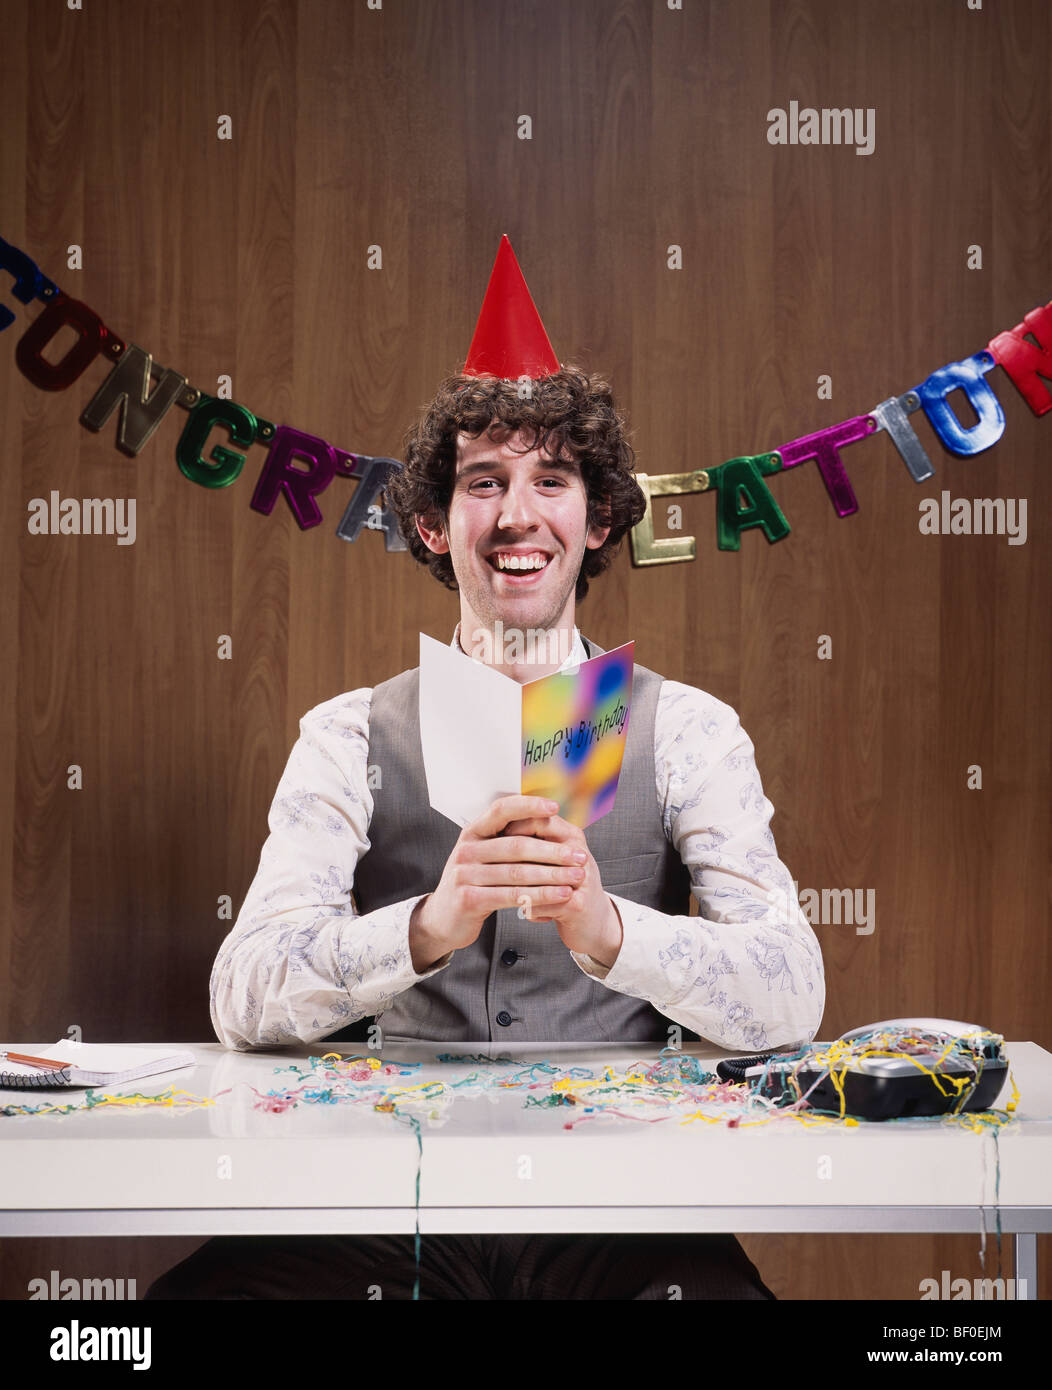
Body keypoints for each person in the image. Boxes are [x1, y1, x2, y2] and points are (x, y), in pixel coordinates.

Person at [145, 238, 824, 1301]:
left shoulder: (687, 730)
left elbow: (793, 991)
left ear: (595, 520)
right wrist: (424, 926)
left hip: (618, 1207)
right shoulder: (348, 734)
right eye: (482, 483)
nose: (516, 513)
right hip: (391, 1198)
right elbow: (243, 993)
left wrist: (612, 933)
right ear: (431, 522)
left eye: (550, 481)